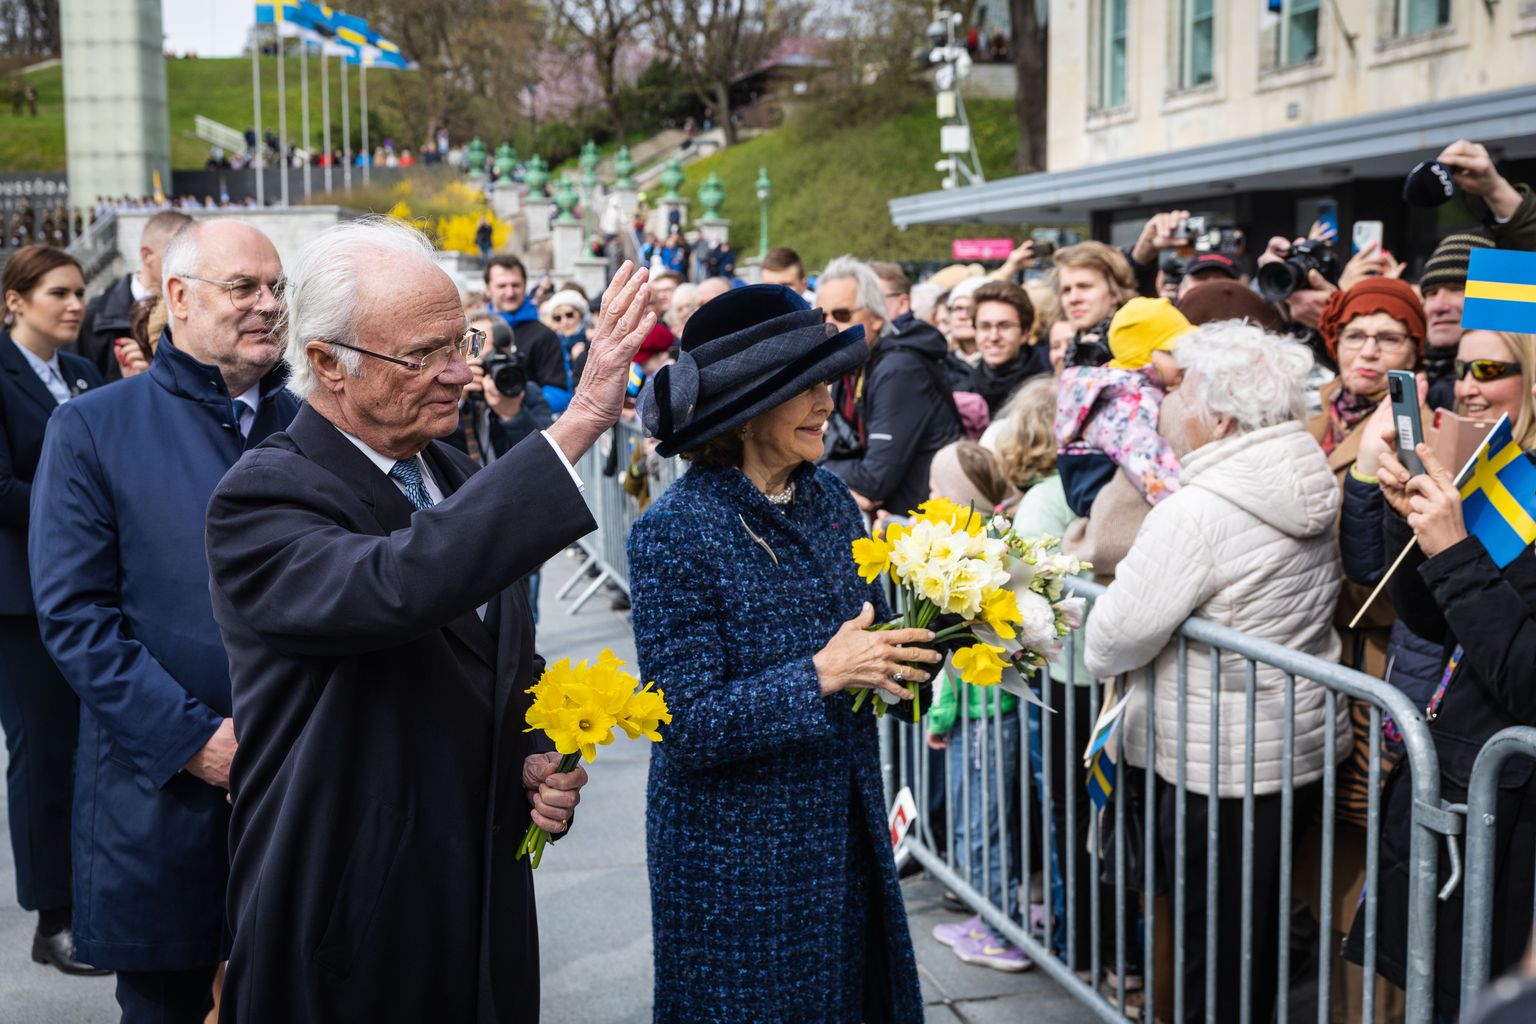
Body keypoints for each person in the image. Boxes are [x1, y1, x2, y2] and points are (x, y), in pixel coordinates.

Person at [203, 228, 655, 1021]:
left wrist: (535, 747)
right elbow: (397, 586)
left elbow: (491, 656)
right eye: (425, 354)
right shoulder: (264, 495)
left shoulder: (445, 468)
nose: (460, 371)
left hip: (475, 899)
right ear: (327, 361)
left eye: (463, 341)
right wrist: (577, 421)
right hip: (349, 911)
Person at [629, 283, 933, 1022]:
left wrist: (955, 625)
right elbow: (684, 723)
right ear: (744, 410)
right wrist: (821, 675)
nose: (828, 402)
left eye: (828, 383)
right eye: (807, 387)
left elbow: (877, 651)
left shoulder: (829, 498)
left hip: (843, 837)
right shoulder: (675, 530)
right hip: (739, 863)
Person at [29, 220, 299, 1022]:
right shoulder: (92, 427)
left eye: (277, 288)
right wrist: (194, 742)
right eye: (244, 288)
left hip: (304, 782)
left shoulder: (316, 428)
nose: (268, 306)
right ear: (177, 298)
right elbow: (76, 617)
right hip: (160, 792)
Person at [1085, 321, 1349, 1024]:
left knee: (1212, 952)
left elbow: (1110, 640)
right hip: (1286, 749)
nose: (1167, 402)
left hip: (1218, 763)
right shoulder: (1306, 475)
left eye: (1181, 389)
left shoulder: (1196, 513)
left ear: (1221, 416)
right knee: (1254, 941)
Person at [1346, 328, 1536, 1019]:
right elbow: (1433, 622)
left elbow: (1526, 680)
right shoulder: (1503, 470)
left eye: (1493, 368)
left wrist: (1453, 549)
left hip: (1516, 829)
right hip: (1467, 796)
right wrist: (1412, 523)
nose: (1471, 386)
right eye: (1460, 369)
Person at [0, 247, 105, 976]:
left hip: (90, 590)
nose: (75, 305)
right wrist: (76, 505)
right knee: (40, 756)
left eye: (79, 293)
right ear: (14, 301)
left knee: (88, 753)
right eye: (58, 293)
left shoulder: (83, 374)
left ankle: (94, 903)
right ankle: (52, 919)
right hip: (20, 598)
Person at [924, 442, 1026, 974]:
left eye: (939, 492)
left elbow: (960, 666)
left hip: (981, 716)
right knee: (981, 818)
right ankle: (991, 914)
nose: (929, 499)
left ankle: (998, 928)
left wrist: (937, 719)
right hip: (988, 715)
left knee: (978, 822)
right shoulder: (991, 542)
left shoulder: (971, 556)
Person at [820, 255, 962, 517]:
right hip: (890, 521)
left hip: (922, 530)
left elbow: (874, 482)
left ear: (875, 317)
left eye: (841, 314)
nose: (829, 326)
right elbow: (833, 447)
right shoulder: (850, 363)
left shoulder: (898, 368)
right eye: (821, 316)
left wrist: (813, 463)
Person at [1055, 297, 1189, 518]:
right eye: (1174, 353)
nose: (1185, 362)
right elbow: (1147, 463)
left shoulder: (1119, 385)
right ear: (1144, 357)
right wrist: (1188, 501)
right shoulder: (1128, 401)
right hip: (1097, 484)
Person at [76, 209, 191, 382]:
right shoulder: (96, 316)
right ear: (147, 255)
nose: (188, 266)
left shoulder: (200, 312)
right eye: (177, 255)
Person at [484, 254, 572, 413]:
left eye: (515, 285)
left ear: (525, 286)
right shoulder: (474, 333)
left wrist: (517, 397)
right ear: (488, 289)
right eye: (502, 286)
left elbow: (561, 395)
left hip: (526, 430)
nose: (510, 292)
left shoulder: (545, 336)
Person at [967, 280, 1048, 415]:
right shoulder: (962, 388)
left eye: (1005, 326)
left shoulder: (1045, 393)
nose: (994, 337)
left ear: (1025, 332)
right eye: (985, 326)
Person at [1052, 241, 1138, 364]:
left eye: (1084, 287)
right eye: (1066, 290)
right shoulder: (1071, 350)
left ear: (1114, 293)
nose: (1073, 299)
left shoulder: (1136, 346)